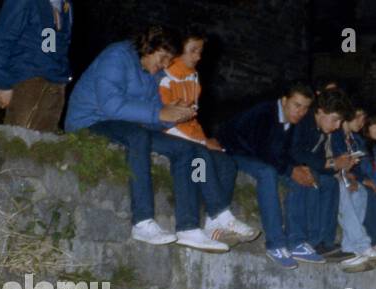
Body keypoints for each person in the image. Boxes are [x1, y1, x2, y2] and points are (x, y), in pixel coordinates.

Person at [65, 27, 256, 252]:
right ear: (149, 47)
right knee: (138, 138)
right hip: (91, 121)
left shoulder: (153, 73)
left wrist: (171, 114)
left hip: (127, 126)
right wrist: (159, 113)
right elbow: (111, 105)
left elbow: (153, 115)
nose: (165, 65)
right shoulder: (117, 56)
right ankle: (142, 222)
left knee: (190, 150)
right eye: (163, 58)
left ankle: (190, 226)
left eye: (169, 60)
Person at [216, 82, 314, 269]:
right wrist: (290, 169)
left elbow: (283, 152)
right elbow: (262, 151)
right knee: (267, 173)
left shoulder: (291, 121)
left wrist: (299, 168)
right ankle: (275, 244)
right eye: (297, 105)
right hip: (235, 151)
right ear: (284, 101)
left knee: (300, 178)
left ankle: (296, 242)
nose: (301, 112)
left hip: (260, 155)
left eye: (305, 108)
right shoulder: (264, 113)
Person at [286, 87, 356, 263]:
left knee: (331, 184)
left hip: (305, 167)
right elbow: (294, 152)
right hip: (285, 166)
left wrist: (338, 164)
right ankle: (298, 241)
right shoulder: (303, 121)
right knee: (309, 180)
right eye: (335, 119)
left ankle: (324, 242)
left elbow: (319, 162)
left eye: (340, 121)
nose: (338, 125)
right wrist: (331, 163)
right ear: (320, 111)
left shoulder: (322, 130)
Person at [0, 0, 73, 131]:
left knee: (44, 143)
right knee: (18, 139)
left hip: (56, 83)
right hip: (27, 78)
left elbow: (63, 42)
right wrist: (3, 84)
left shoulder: (66, 5)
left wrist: (63, 75)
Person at [334, 107, 376, 272]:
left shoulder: (357, 140)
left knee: (362, 192)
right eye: (360, 117)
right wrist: (357, 177)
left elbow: (360, 170)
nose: (362, 122)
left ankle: (354, 247)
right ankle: (365, 246)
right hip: (335, 178)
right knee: (364, 192)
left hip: (351, 178)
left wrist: (358, 178)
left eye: (364, 118)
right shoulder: (336, 135)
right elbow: (332, 162)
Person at [159, 32, 217, 149]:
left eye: (200, 52)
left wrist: (203, 138)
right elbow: (167, 119)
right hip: (170, 132)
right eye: (193, 50)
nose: (198, 57)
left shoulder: (192, 76)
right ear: (178, 49)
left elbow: (192, 116)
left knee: (222, 157)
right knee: (204, 158)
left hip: (188, 132)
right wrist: (203, 143)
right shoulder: (164, 76)